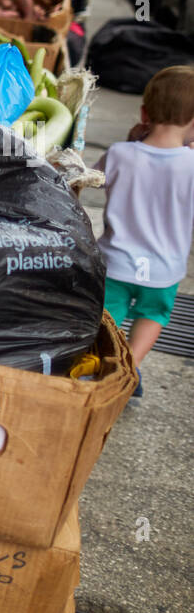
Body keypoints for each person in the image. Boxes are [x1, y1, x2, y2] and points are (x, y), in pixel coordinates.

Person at [96, 65, 194, 395]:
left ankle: (97, 364)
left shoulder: (120, 154)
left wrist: (130, 143)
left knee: (107, 314)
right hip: (164, 269)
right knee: (152, 315)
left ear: (143, 112)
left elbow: (92, 181)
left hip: (116, 262)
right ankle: (130, 368)